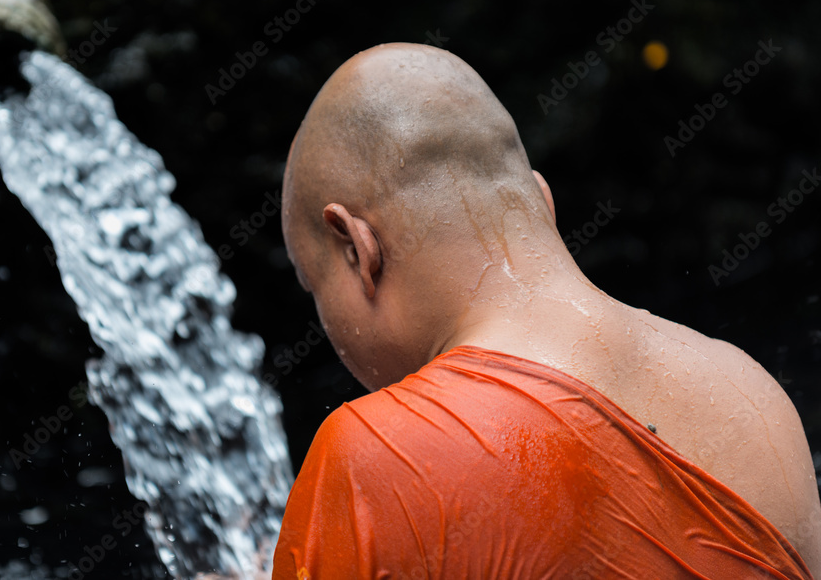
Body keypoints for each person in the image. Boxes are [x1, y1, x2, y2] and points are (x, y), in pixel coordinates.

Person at [272, 42, 821, 578]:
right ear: (540, 202)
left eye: (312, 285)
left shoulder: (370, 460)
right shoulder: (757, 398)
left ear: (357, 248)